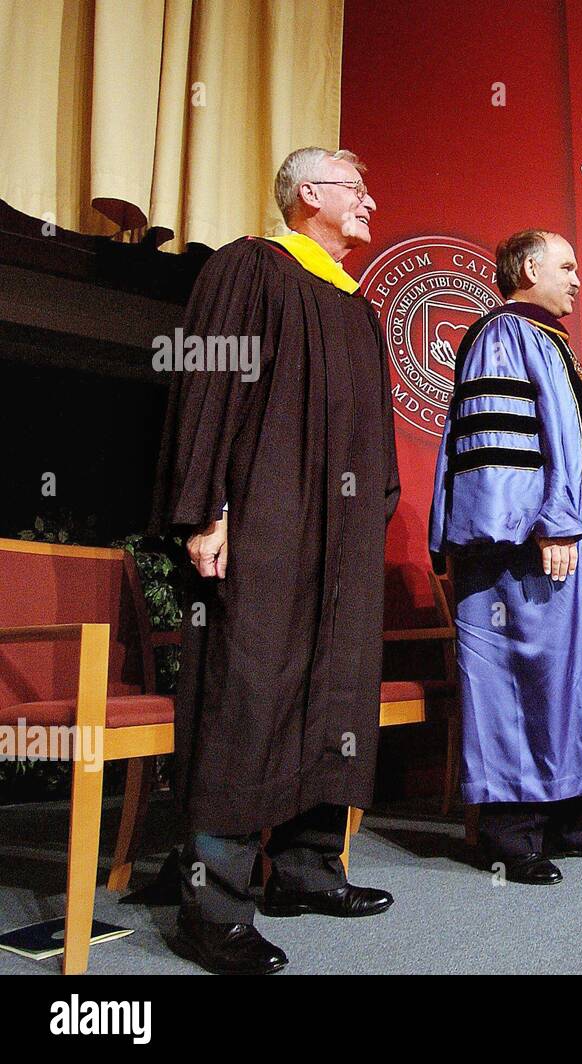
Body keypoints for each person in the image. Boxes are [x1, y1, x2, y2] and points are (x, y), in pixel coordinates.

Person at [152, 147, 400, 974]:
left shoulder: (359, 309)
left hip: (346, 533)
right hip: (265, 519)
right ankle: (212, 905)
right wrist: (202, 510)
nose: (370, 200)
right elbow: (205, 387)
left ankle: (306, 869)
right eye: (354, 188)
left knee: (334, 688)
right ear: (307, 195)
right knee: (247, 694)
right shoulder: (247, 268)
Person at [428, 229, 582, 886]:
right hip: (524, 548)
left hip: (571, 546)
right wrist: (547, 521)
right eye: (567, 265)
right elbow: (503, 446)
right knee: (515, 677)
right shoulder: (501, 336)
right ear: (525, 268)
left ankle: (570, 817)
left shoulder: (556, 346)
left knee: (566, 678)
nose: (579, 278)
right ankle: (509, 833)